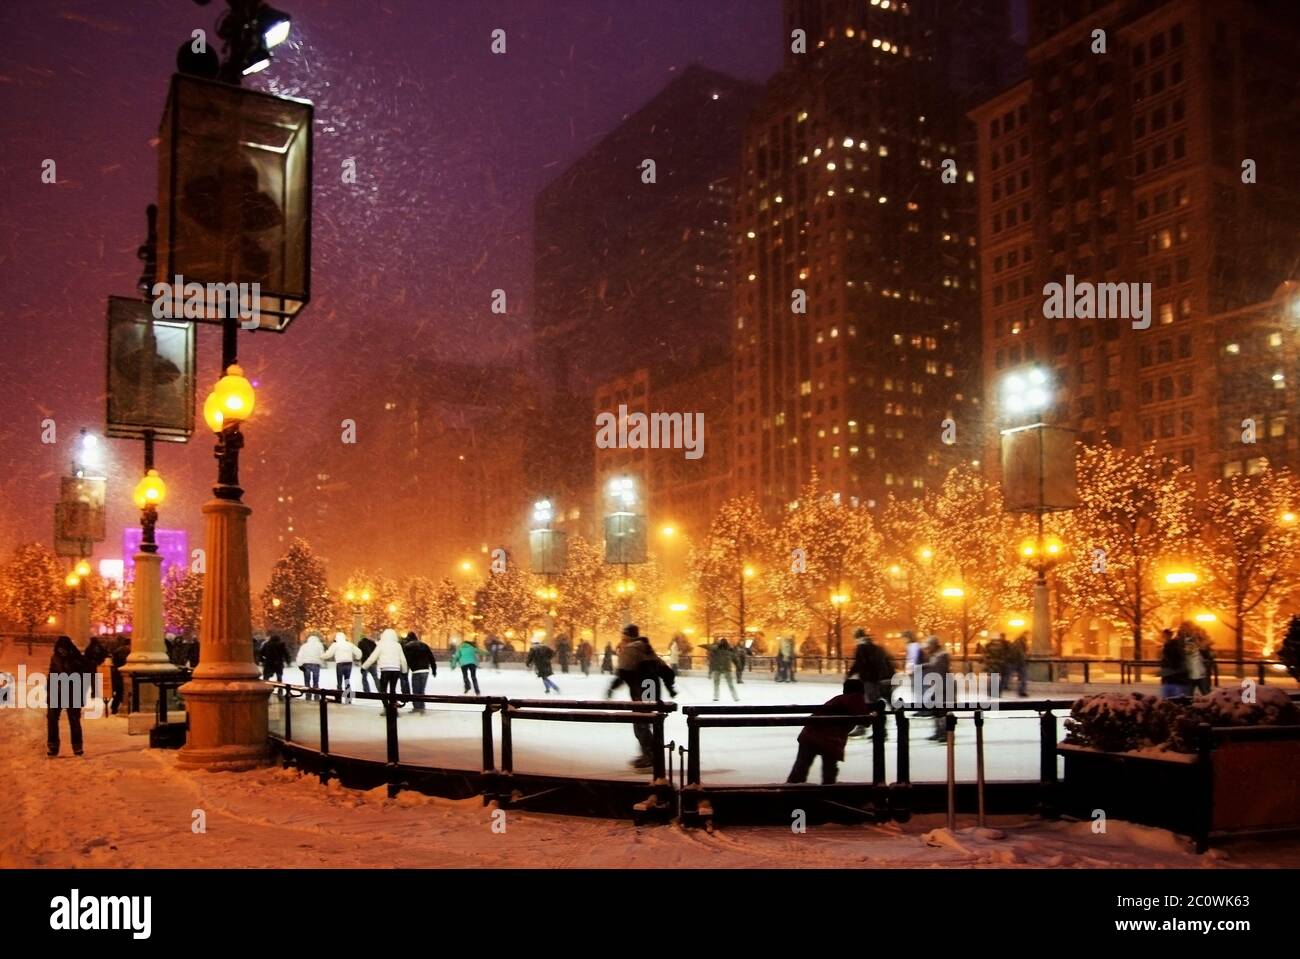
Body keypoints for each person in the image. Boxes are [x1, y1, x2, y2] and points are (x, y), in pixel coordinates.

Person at [607, 624, 678, 769]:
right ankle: (649, 754)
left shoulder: (630, 649)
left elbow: (623, 673)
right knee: (645, 721)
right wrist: (670, 687)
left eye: (623, 636)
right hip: (651, 687)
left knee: (641, 723)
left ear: (627, 636)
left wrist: (612, 688)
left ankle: (651, 756)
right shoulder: (646, 648)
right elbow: (666, 671)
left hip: (641, 688)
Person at [786, 679, 870, 784]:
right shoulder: (855, 698)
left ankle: (791, 791)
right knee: (829, 769)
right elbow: (866, 720)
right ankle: (828, 792)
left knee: (801, 767)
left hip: (810, 734)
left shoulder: (839, 699)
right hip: (830, 739)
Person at [846, 628, 894, 739]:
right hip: (876, 680)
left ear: (857, 637)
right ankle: (878, 729)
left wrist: (849, 675)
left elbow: (860, 664)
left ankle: (865, 728)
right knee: (873, 705)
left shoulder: (861, 648)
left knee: (869, 705)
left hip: (869, 681)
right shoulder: (874, 647)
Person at [46, 636, 88, 757]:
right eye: (59, 649)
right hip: (56, 691)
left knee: (74, 720)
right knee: (52, 719)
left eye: (63, 649)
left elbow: (83, 676)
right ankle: (53, 746)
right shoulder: (55, 658)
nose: (61, 651)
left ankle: (77, 747)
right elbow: (51, 674)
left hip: (72, 692)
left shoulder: (77, 659)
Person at [363, 628, 409, 714]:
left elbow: (373, 657)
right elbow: (403, 660)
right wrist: (404, 671)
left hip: (385, 670)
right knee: (393, 690)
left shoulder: (381, 644)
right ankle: (393, 709)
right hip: (395, 670)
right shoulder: (397, 645)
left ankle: (386, 708)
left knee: (383, 691)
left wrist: (364, 667)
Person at [922, 637, 951, 741]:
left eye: (929, 646)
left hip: (942, 686)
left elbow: (940, 671)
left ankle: (945, 734)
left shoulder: (942, 655)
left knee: (942, 711)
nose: (927, 648)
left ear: (934, 645)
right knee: (936, 711)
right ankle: (939, 732)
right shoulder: (935, 655)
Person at [323, 631, 360, 703]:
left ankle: (339, 699)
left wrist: (321, 656)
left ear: (337, 638)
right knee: (347, 681)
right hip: (349, 663)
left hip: (340, 664)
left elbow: (328, 654)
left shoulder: (335, 645)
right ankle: (348, 699)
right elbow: (358, 652)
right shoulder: (349, 644)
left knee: (339, 682)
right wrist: (357, 658)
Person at [402, 632, 436, 711]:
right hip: (425, 670)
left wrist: (406, 669)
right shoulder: (424, 645)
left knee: (416, 691)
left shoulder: (407, 647)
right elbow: (431, 657)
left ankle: (417, 708)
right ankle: (422, 707)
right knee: (422, 690)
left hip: (416, 670)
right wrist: (434, 669)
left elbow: (406, 659)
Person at [1159, 629, 1190, 698]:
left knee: (1174, 699)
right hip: (1170, 678)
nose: (1164, 638)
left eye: (1165, 636)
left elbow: (1174, 661)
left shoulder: (1173, 647)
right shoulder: (1168, 647)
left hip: (1174, 678)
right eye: (1163, 636)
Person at [708, 637, 740, 703]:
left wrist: (710, 671)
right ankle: (735, 697)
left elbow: (712, 661)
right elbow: (735, 659)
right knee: (729, 684)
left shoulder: (716, 650)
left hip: (719, 668)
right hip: (725, 668)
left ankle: (716, 697)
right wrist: (738, 665)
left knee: (717, 684)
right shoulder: (727, 650)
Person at [296, 632, 325, 700]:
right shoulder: (319, 645)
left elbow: (300, 655)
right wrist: (323, 663)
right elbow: (322, 655)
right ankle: (316, 695)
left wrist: (299, 664)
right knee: (316, 681)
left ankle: (308, 695)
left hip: (306, 664)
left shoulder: (304, 646)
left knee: (307, 681)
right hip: (316, 664)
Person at [109, 638, 130, 716]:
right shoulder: (128, 651)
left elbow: (114, 661)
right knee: (122, 691)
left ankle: (114, 707)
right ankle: (116, 706)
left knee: (119, 691)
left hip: (117, 672)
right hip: (124, 672)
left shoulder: (118, 650)